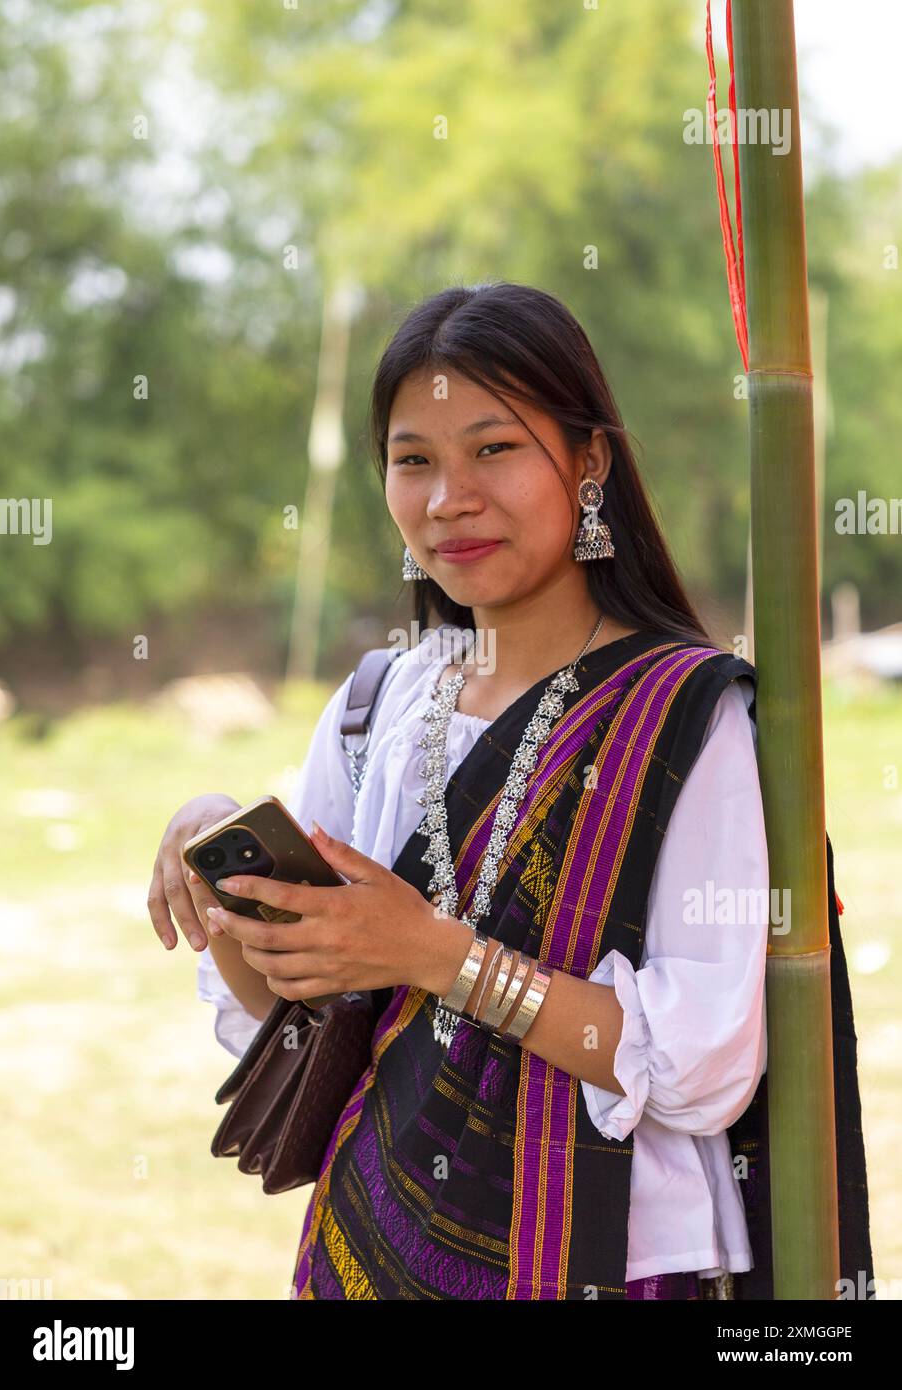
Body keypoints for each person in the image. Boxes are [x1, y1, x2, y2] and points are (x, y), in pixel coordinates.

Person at [147, 281, 872, 1301]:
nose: (449, 498)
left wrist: (434, 953)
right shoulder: (378, 705)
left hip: (607, 1259)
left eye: (493, 449)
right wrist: (217, 870)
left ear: (588, 460)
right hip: (373, 1241)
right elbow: (296, 1010)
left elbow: (703, 1069)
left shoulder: (687, 717)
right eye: (413, 460)